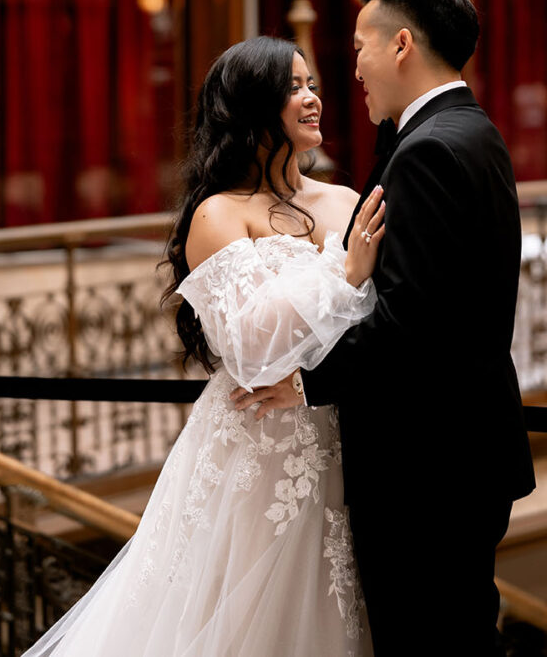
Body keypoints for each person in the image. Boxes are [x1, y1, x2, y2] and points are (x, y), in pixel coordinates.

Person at [20, 35, 384, 657]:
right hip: (260, 448)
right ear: (250, 107)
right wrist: (343, 274)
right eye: (292, 88)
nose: (312, 98)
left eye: (312, 85)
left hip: (341, 435)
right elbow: (250, 347)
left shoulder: (347, 202)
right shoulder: (219, 213)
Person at [233, 0, 536, 656]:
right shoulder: (472, 131)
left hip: (426, 469)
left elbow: (411, 323)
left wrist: (304, 383)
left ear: (402, 44)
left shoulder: (429, 150)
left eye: (360, 47)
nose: (354, 69)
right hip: (464, 453)